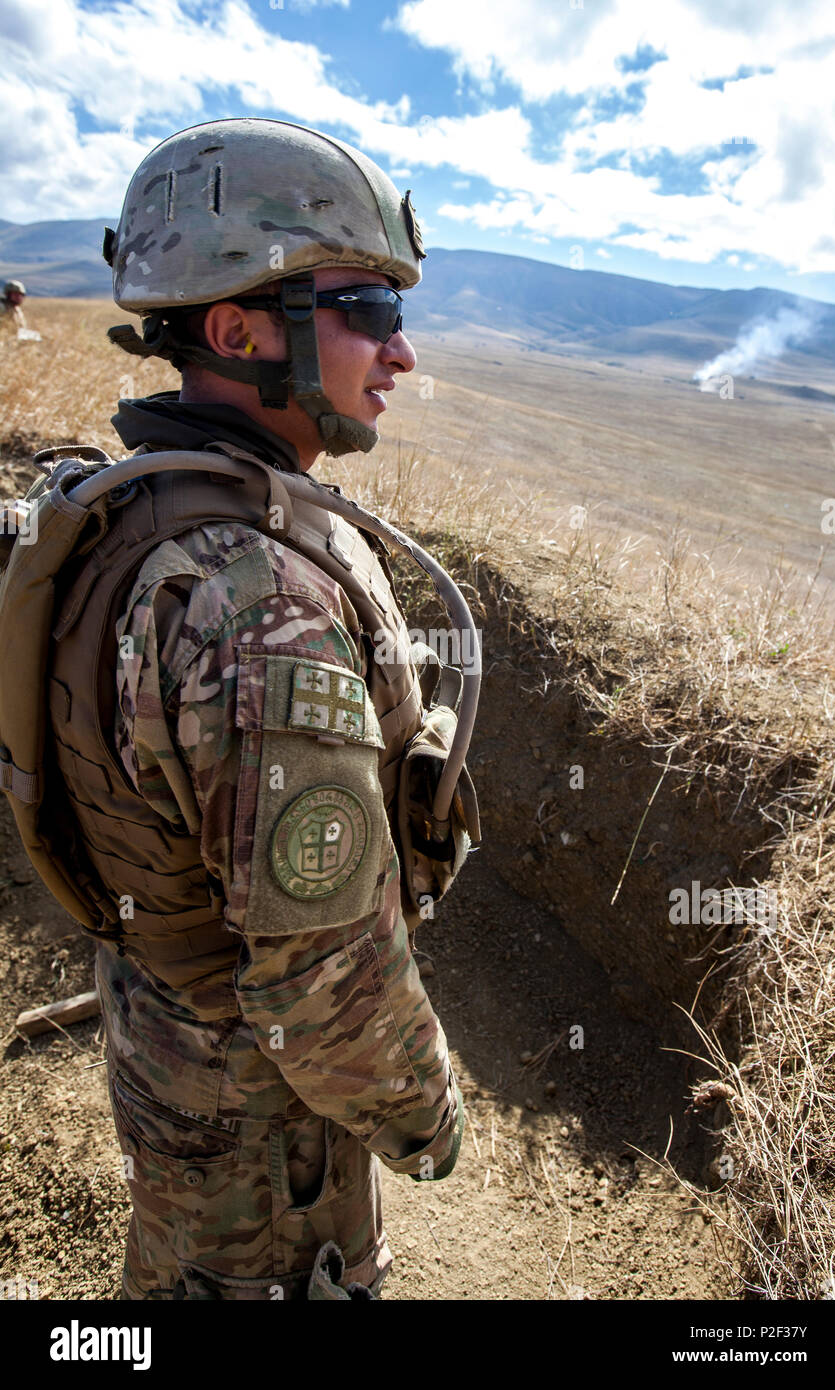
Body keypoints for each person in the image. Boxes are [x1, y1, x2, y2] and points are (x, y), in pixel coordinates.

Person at [38, 118, 472, 1299]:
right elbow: (325, 991)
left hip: (161, 1027)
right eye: (369, 313)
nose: (401, 354)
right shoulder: (255, 606)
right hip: (259, 1115)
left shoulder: (124, 504)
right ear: (237, 331)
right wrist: (429, 1115)